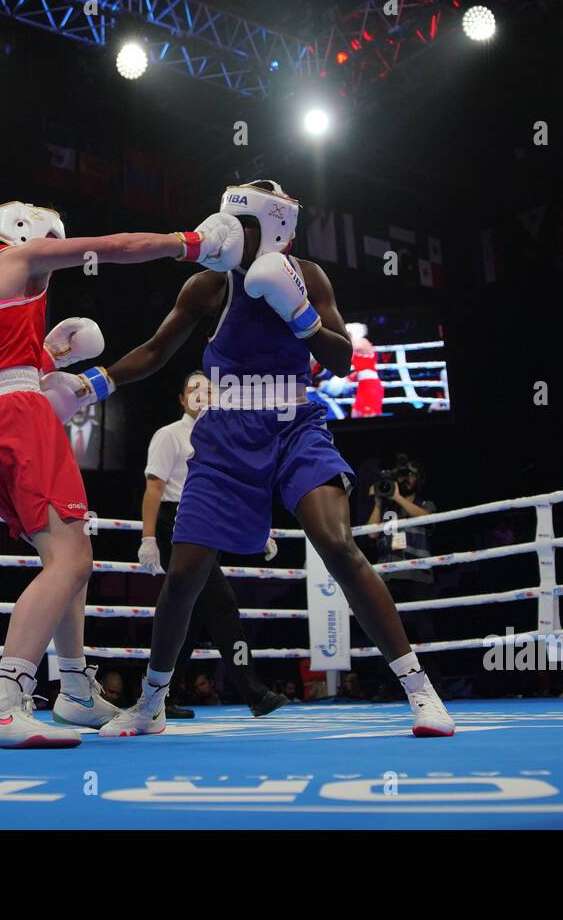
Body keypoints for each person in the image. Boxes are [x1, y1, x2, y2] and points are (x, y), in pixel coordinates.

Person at [49, 180, 454, 738]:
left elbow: (340, 362)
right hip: (227, 431)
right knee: (186, 571)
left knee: (338, 543)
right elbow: (155, 350)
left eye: (247, 225)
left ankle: (421, 692)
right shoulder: (207, 286)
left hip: (295, 424)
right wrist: (94, 383)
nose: (234, 235)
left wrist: (302, 314)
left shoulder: (308, 276)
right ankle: (150, 703)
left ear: (275, 228)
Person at [0, 200, 244, 749]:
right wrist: (189, 244)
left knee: (66, 554)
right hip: (15, 417)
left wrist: (51, 361)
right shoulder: (22, 257)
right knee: (74, 560)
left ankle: (76, 689)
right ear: (27, 230)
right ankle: (5, 703)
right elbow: (114, 247)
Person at [137, 370, 287, 719]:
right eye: (193, 390)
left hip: (207, 518)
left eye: (208, 389)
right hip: (175, 521)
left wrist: (258, 531)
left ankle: (160, 695)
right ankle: (254, 692)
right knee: (222, 607)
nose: (202, 395)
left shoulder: (221, 436)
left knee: (188, 614)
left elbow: (232, 490)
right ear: (181, 399)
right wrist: (148, 537)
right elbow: (154, 488)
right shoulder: (169, 435)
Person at [364, 455, 438, 699]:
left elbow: (427, 520)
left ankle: (433, 684)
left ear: (418, 479)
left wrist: (396, 498)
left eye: (410, 475)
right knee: (385, 631)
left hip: (418, 577)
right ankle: (386, 686)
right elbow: (371, 535)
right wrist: (378, 501)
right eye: (401, 476)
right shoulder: (386, 510)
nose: (405, 480)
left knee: (424, 630)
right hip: (388, 577)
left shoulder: (426, 503)